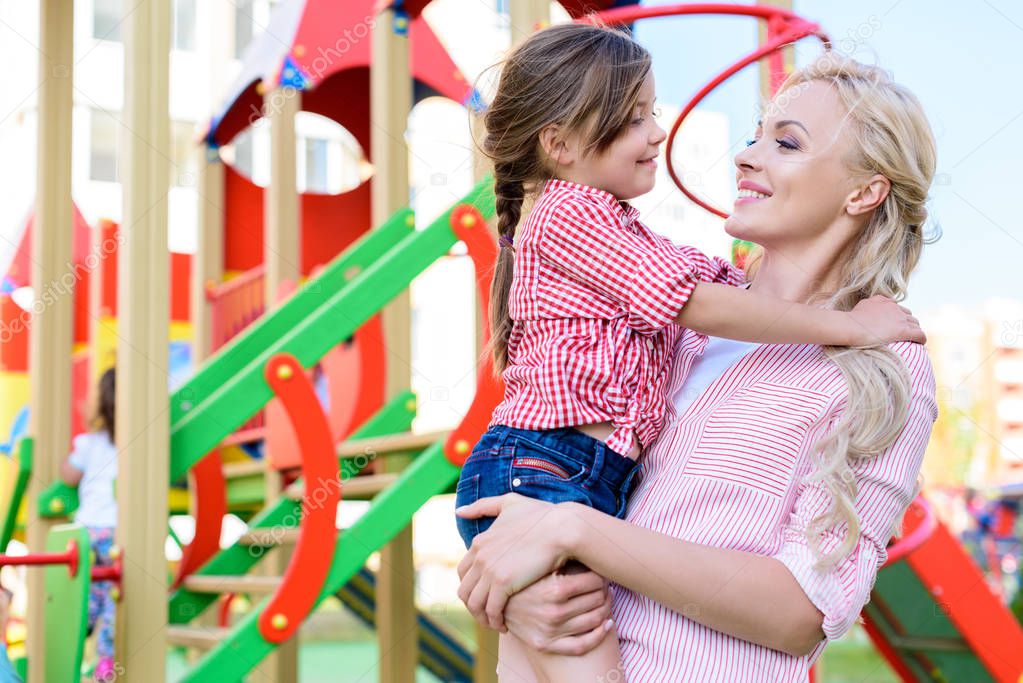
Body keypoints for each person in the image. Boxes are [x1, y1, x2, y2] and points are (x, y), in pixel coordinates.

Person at [457, 23, 926, 682]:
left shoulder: (882, 363)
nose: (745, 156)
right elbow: (532, 497)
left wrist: (571, 532)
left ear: (863, 192)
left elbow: (798, 613)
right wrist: (521, 594)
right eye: (753, 135)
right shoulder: (673, 327)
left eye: (785, 143)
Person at [60, 368, 117, 681]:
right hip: (120, 531)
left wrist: (61, 461)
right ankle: (106, 662)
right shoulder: (140, 444)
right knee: (116, 592)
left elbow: (68, 475)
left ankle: (78, 632)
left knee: (87, 587)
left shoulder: (89, 443)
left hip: (87, 531)